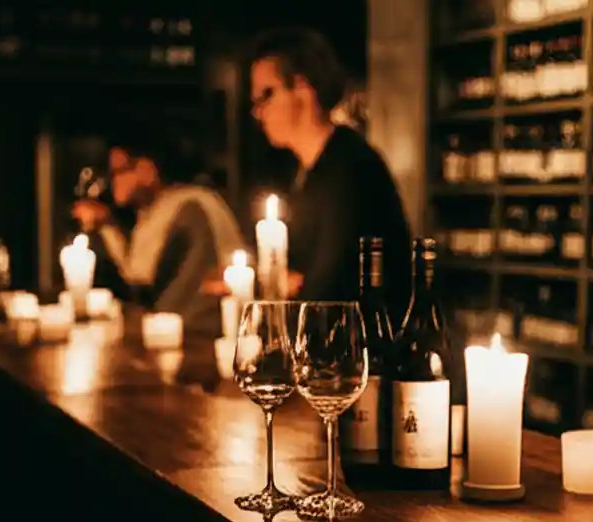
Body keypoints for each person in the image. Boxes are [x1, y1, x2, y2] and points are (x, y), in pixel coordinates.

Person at [249, 27, 412, 318]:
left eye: (266, 95)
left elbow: (330, 285)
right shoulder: (307, 170)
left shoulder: (351, 167)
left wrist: (294, 284)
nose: (258, 112)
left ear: (302, 87)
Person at [71, 138, 246, 335]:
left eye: (120, 171)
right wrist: (107, 225)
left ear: (147, 170)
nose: (113, 181)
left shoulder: (179, 206)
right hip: (209, 322)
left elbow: (138, 276)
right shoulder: (192, 198)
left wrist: (106, 225)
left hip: (202, 328)